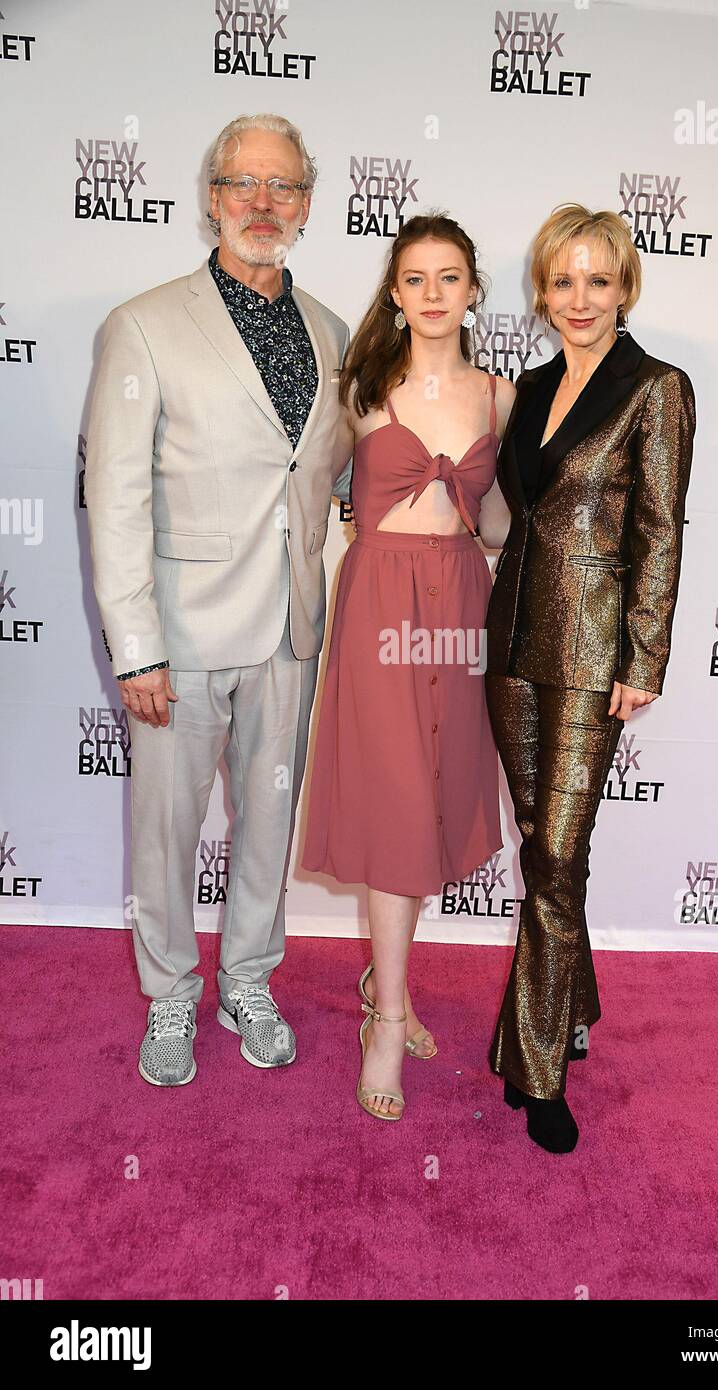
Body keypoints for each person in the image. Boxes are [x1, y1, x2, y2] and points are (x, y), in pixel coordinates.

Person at [85, 114, 353, 1086]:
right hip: (182, 635)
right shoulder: (143, 324)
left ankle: (247, 975)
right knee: (166, 826)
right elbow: (113, 496)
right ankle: (168, 994)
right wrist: (134, 646)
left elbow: (335, 477)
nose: (260, 202)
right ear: (210, 196)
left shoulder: (332, 333)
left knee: (267, 820)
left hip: (289, 630)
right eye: (242, 182)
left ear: (307, 204)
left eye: (281, 186)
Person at [482, 203, 697, 1152]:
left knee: (558, 857)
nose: (580, 299)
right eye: (563, 281)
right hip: (514, 641)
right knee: (542, 845)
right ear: (543, 289)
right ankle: (568, 1005)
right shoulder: (526, 388)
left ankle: (535, 1071)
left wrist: (643, 656)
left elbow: (659, 527)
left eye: (598, 281)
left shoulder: (657, 389)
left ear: (625, 288)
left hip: (594, 653)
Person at [301, 214, 516, 1121]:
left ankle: (393, 992)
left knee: (431, 793)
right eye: (416, 278)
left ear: (473, 290)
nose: (433, 294)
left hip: (461, 600)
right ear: (394, 291)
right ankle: (385, 1017)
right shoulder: (359, 390)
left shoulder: (500, 399)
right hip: (382, 600)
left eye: (450, 277)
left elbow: (498, 518)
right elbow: (307, 491)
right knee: (393, 798)